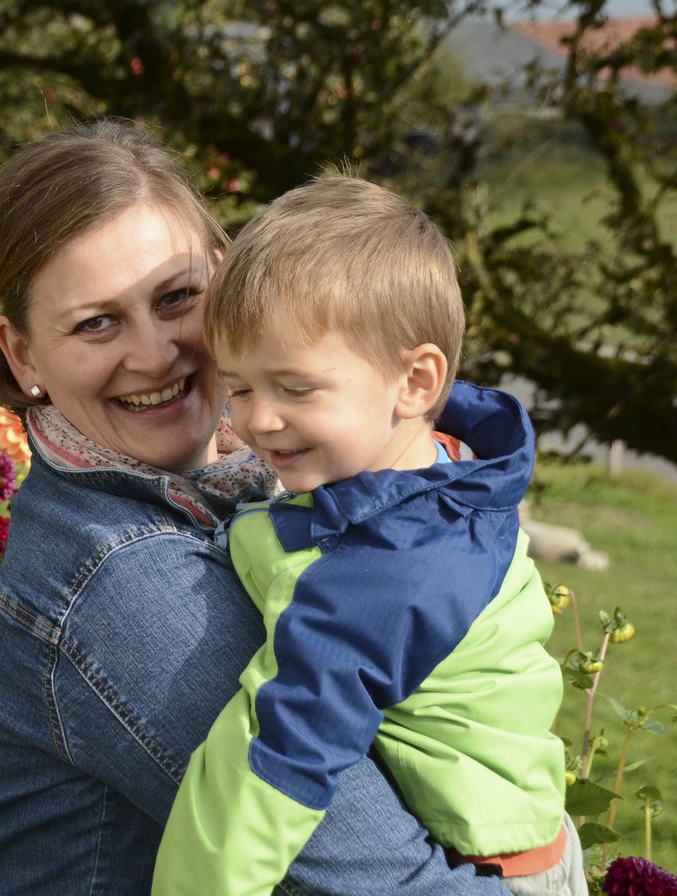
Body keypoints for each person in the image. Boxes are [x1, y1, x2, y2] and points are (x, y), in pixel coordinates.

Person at [0, 120, 510, 894]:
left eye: (178, 297)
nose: (154, 354)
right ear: (23, 354)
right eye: (97, 322)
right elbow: (396, 883)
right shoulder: (125, 580)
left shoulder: (255, 479)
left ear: (228, 277)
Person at [153, 173, 584, 896]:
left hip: (477, 868)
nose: (256, 421)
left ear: (415, 383)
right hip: (531, 838)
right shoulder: (439, 470)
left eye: (293, 388)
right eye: (243, 386)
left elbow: (269, 765)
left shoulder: (383, 574)